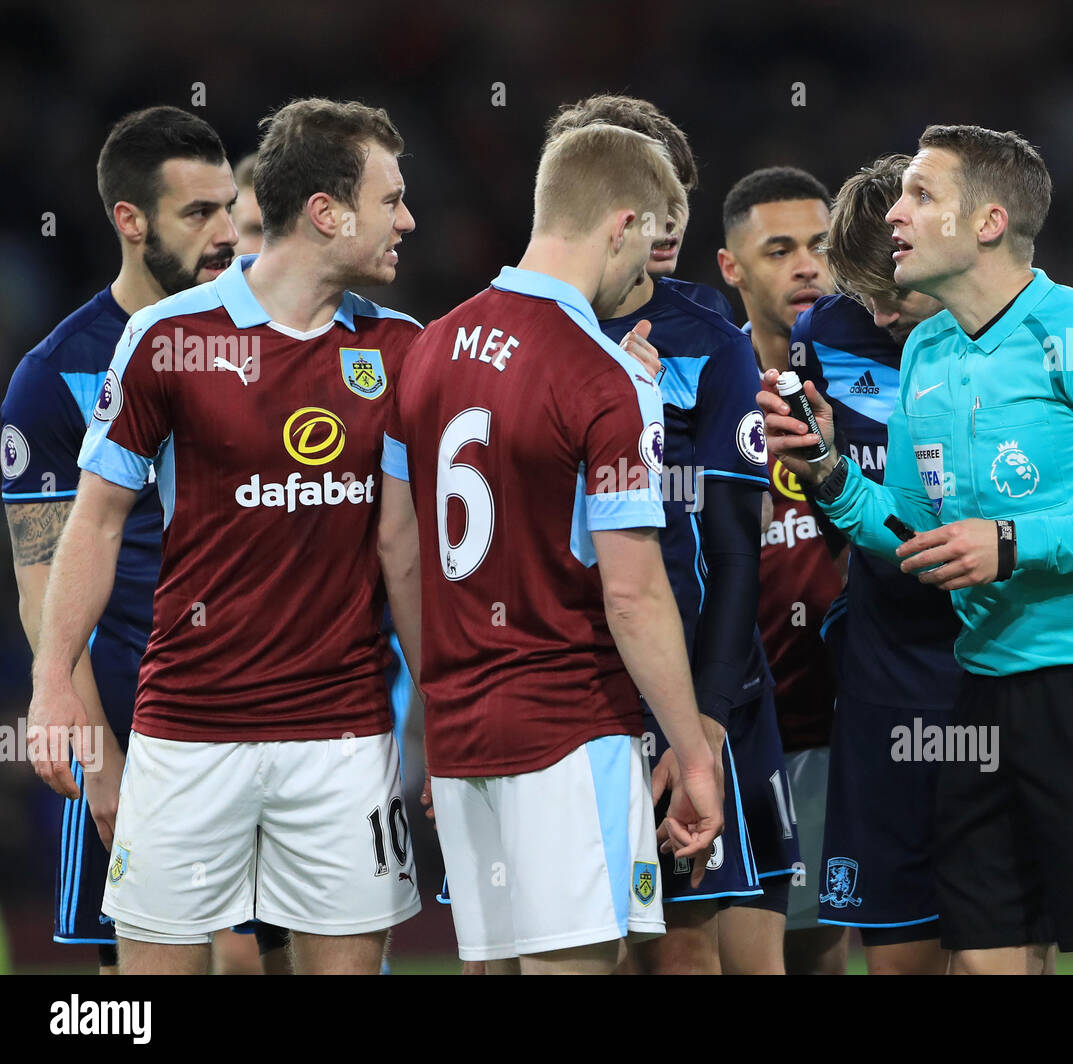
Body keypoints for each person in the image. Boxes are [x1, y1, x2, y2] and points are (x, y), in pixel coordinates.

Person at [761, 125, 1073, 975]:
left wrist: (1013, 544)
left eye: (921, 196)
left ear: (988, 223)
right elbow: (906, 536)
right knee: (985, 961)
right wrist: (827, 474)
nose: (893, 212)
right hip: (979, 698)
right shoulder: (928, 351)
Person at [26, 97, 422, 975]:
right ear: (327, 212)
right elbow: (92, 520)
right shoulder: (167, 338)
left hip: (345, 740)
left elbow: (409, 547)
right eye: (391, 199)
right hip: (186, 733)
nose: (408, 219)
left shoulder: (401, 349)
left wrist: (436, 710)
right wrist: (52, 683)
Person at [379, 122, 724, 976]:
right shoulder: (596, 375)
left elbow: (395, 543)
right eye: (645, 249)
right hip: (569, 725)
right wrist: (691, 751)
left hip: (461, 733)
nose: (646, 276)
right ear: (620, 225)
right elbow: (635, 595)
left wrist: (436, 703)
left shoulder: (428, 349)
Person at [547, 95, 794, 976]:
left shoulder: (708, 343)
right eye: (644, 203)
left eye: (675, 206)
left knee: (684, 943)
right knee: (528, 945)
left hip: (680, 679)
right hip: (553, 689)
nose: (662, 227)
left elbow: (735, 547)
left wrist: (710, 716)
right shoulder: (514, 335)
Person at [3, 106, 237, 975]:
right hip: (132, 718)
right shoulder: (55, 375)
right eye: (197, 214)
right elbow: (42, 587)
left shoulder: (270, 340)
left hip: (273, 716)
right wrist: (99, 765)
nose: (224, 234)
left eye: (229, 208)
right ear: (129, 222)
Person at [717, 166, 848, 974]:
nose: (807, 266)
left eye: (820, 245)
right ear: (731, 268)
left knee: (821, 952)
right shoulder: (694, 386)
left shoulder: (867, 384)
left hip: (842, 722)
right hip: (732, 733)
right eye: (779, 249)